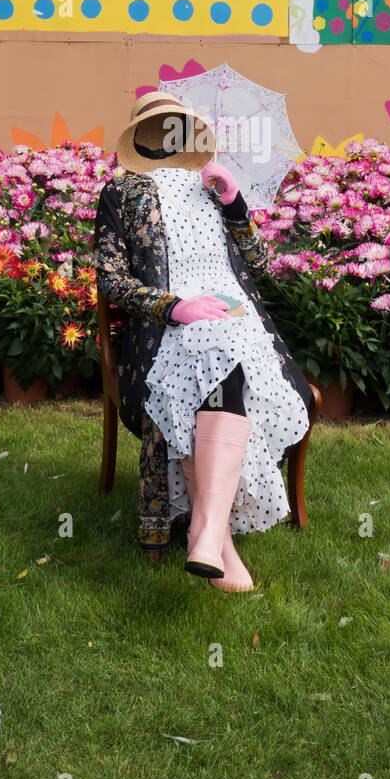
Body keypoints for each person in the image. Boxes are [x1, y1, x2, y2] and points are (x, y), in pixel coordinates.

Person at [94, 91, 313, 591]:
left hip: (236, 315)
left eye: (176, 125)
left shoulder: (215, 184)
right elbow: (109, 278)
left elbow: (260, 267)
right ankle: (216, 539)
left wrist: (235, 204)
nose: (168, 135)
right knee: (208, 357)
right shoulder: (122, 193)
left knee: (223, 348)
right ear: (140, 137)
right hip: (166, 323)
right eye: (157, 127)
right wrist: (174, 307)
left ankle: (206, 531)